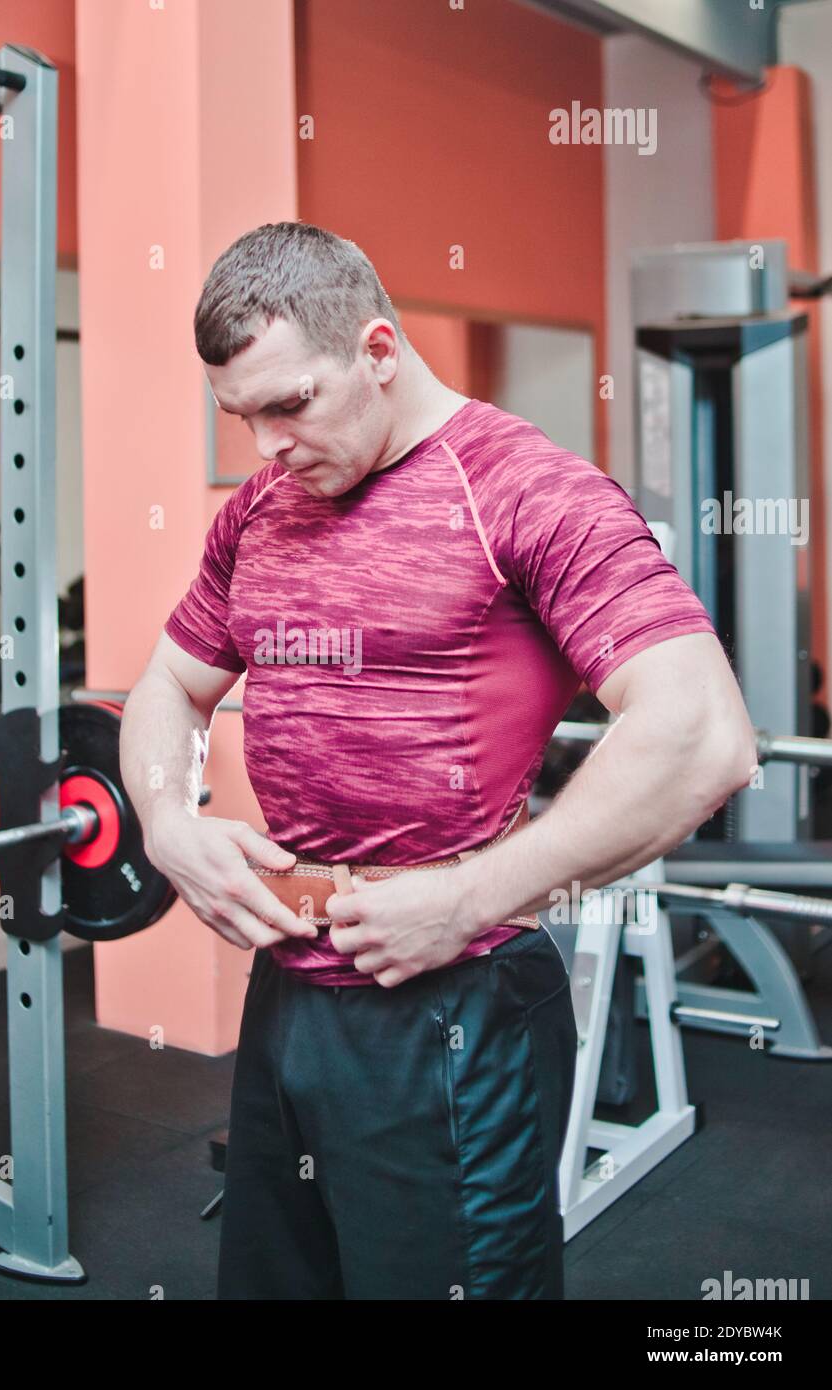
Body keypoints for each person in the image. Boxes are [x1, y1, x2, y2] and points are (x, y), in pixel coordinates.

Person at [119, 221, 756, 1300]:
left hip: (454, 1001)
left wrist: (463, 900)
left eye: (290, 404)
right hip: (289, 992)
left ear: (375, 351)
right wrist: (168, 820)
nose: (264, 446)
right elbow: (167, 687)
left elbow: (701, 732)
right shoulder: (259, 512)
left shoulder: (525, 491)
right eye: (241, 417)